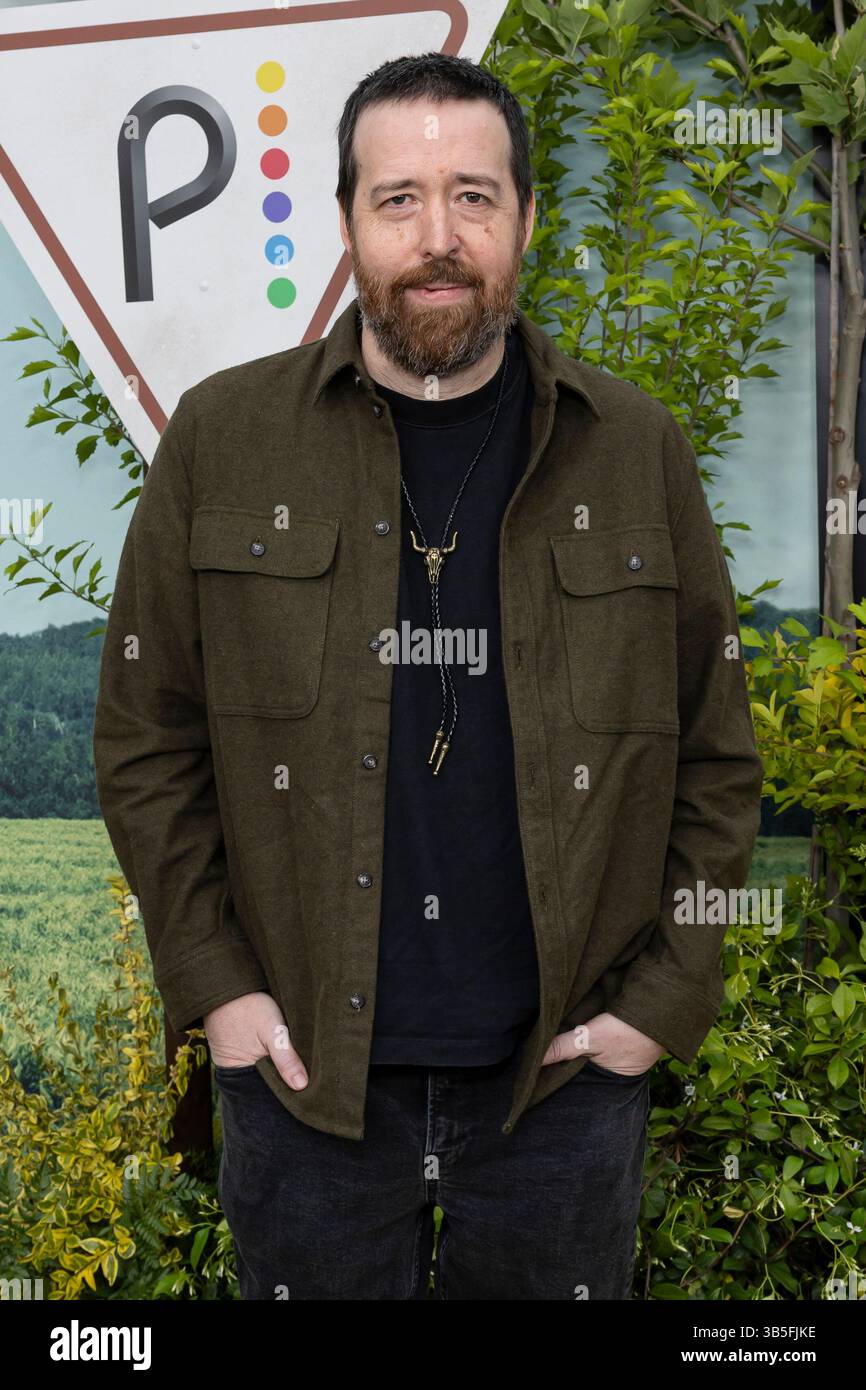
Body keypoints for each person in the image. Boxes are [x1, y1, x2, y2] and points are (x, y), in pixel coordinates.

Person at [92, 52, 765, 1300]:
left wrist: (652, 1011)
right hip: (305, 1090)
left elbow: (714, 758)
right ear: (347, 221)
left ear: (525, 220)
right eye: (397, 198)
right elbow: (146, 742)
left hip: (558, 1091)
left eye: (472, 195)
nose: (437, 237)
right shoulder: (221, 439)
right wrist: (219, 992)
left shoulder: (634, 450)